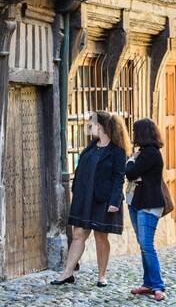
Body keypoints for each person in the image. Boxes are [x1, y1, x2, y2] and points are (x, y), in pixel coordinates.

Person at [51, 110, 127, 287]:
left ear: (100, 126)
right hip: (85, 198)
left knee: (101, 236)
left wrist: (115, 202)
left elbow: (119, 177)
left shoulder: (117, 151)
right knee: (78, 234)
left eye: (91, 124)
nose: (89, 127)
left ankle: (102, 275)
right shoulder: (91, 147)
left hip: (104, 200)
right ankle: (67, 272)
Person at [124, 118, 168, 302]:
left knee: (147, 244)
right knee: (143, 244)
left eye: (135, 131)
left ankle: (157, 285)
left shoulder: (151, 153)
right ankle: (148, 283)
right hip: (137, 202)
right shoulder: (142, 153)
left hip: (149, 204)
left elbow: (130, 172)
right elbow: (133, 172)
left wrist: (132, 164)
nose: (133, 135)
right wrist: (133, 165)